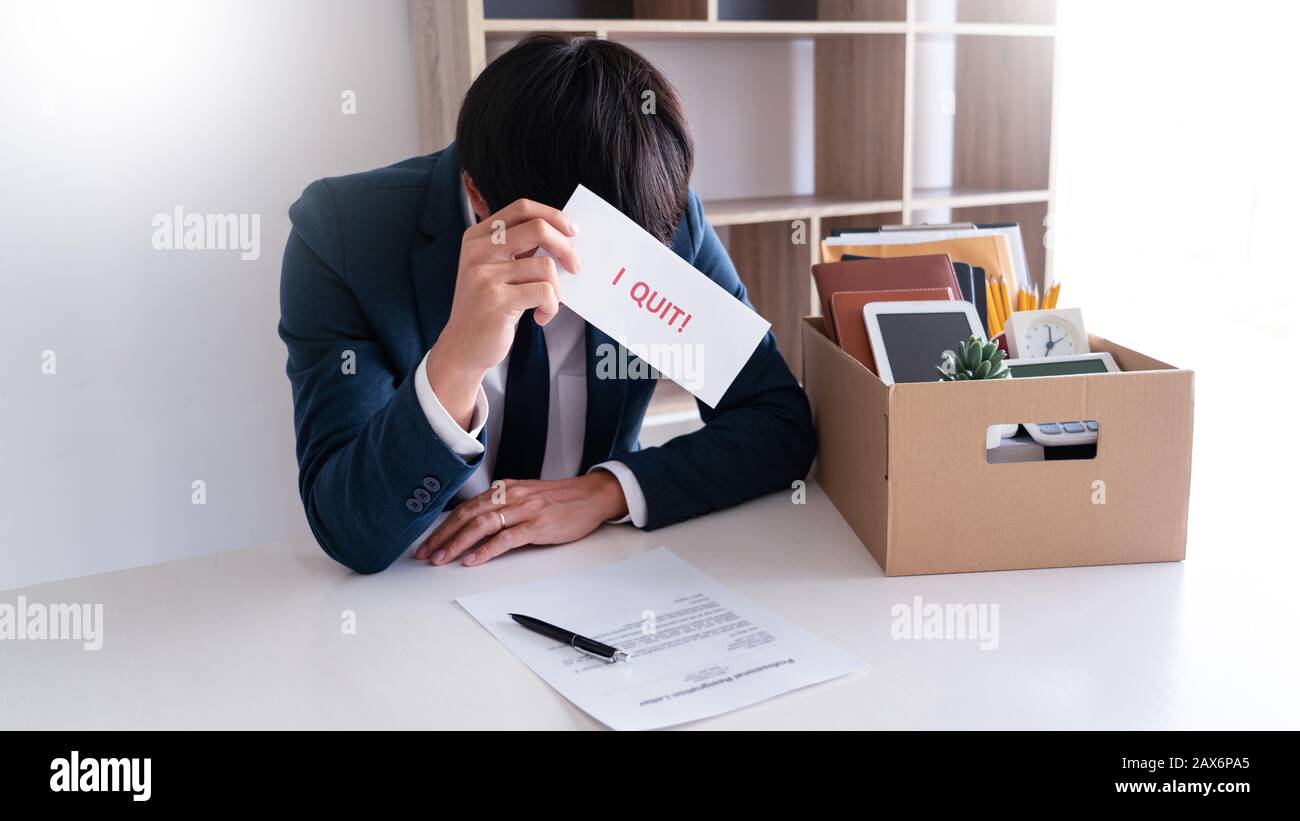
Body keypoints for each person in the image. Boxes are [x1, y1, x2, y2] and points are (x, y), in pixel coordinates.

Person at [278, 33, 815, 574]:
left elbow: (775, 422)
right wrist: (457, 362)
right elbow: (350, 530)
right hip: (424, 579)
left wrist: (606, 491)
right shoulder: (343, 234)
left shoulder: (660, 215)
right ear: (478, 196)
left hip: (598, 565)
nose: (602, 268)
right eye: (578, 247)